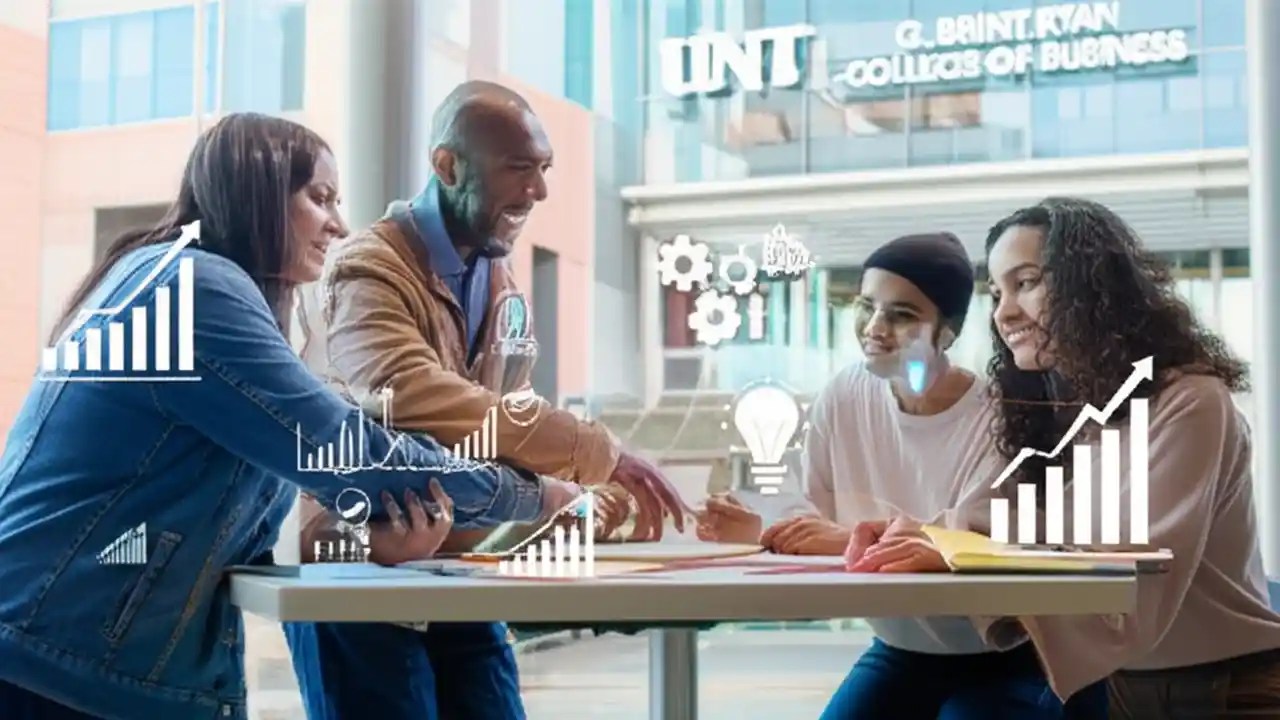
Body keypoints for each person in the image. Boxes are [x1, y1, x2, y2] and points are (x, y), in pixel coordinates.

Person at [0, 113, 567, 720]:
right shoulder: (192, 289)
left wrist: (366, 540)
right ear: (257, 192)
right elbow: (348, 451)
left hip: (108, 669)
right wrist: (531, 495)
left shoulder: (211, 292)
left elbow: (243, 529)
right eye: (319, 198)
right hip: (54, 661)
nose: (339, 225)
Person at [283, 80, 687, 720]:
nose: (540, 190)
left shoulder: (497, 277)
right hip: (359, 568)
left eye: (545, 169)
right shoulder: (367, 266)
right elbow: (410, 394)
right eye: (519, 168)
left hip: (459, 566)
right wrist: (593, 455)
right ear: (447, 166)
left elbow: (511, 409)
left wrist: (581, 493)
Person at [854, 197, 1280, 718]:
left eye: (1026, 282)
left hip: (1230, 690)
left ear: (1093, 285)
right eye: (996, 292)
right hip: (1117, 691)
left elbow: (1132, 567)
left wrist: (959, 543)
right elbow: (996, 510)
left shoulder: (1189, 398)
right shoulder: (1063, 408)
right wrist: (918, 533)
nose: (1004, 312)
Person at [697, 233, 1104, 718]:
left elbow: (959, 544)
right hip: (903, 650)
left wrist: (837, 540)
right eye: (866, 306)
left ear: (947, 333)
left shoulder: (1002, 414)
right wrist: (762, 531)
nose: (874, 327)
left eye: (902, 314)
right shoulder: (845, 395)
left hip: (1011, 655)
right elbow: (808, 513)